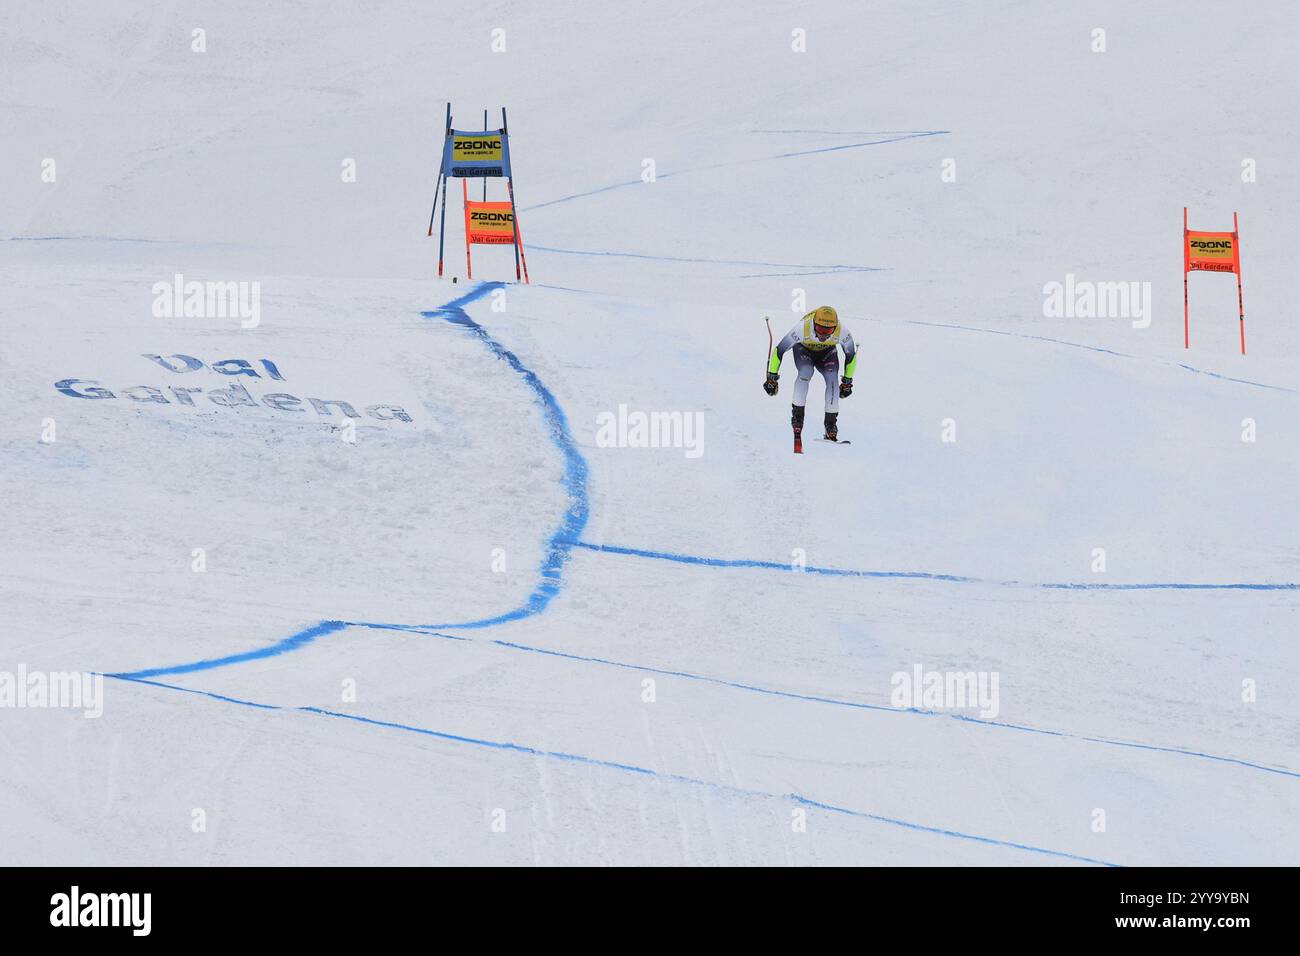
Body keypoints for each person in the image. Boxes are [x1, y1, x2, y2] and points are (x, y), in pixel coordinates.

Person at [763, 306, 856, 445]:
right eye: (820, 330)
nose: (824, 335)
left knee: (832, 380)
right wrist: (772, 377)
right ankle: (797, 417)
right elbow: (779, 350)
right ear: (813, 323)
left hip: (827, 353)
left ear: (835, 327)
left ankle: (830, 424)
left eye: (829, 330)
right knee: (805, 372)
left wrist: (847, 381)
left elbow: (851, 355)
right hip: (803, 350)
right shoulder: (802, 328)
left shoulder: (842, 331)